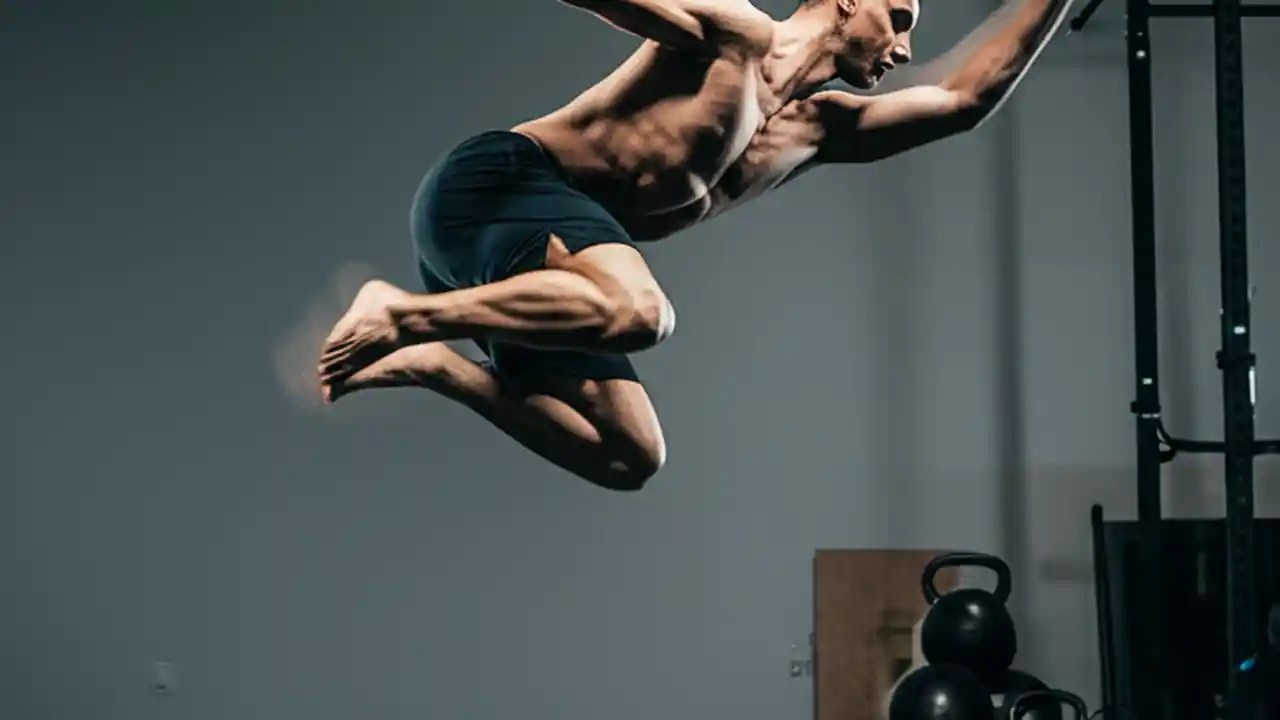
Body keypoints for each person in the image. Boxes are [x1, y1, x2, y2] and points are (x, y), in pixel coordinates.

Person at [317, 0, 1075, 491]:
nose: (905, 50)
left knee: (629, 456)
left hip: (540, 261)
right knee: (641, 314)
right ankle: (403, 313)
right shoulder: (736, 36)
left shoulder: (819, 131)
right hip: (494, 189)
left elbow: (965, 98)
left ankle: (433, 363)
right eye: (900, 18)